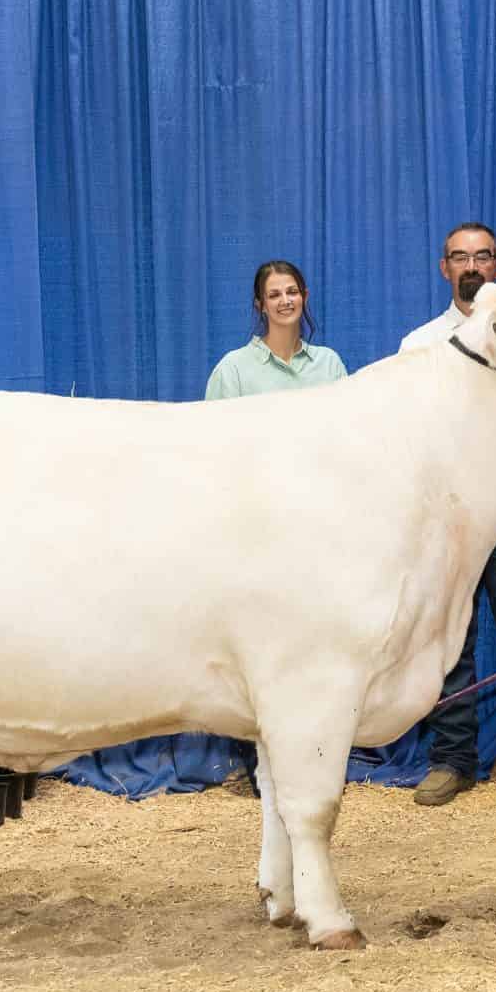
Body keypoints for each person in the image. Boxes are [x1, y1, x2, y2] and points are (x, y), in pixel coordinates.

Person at [399, 221, 496, 803]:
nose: (472, 266)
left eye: (483, 256)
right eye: (460, 257)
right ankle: (452, 758)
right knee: (448, 641)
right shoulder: (418, 346)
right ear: (444, 268)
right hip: (447, 514)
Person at [204, 259, 348, 794]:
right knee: (258, 643)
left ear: (304, 297)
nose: (285, 301)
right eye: (274, 294)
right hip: (256, 529)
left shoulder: (330, 365)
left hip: (315, 527)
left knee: (312, 643)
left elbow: (344, 443)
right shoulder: (234, 371)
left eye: (292, 292)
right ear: (260, 305)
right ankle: (257, 757)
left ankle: (309, 753)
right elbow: (212, 453)